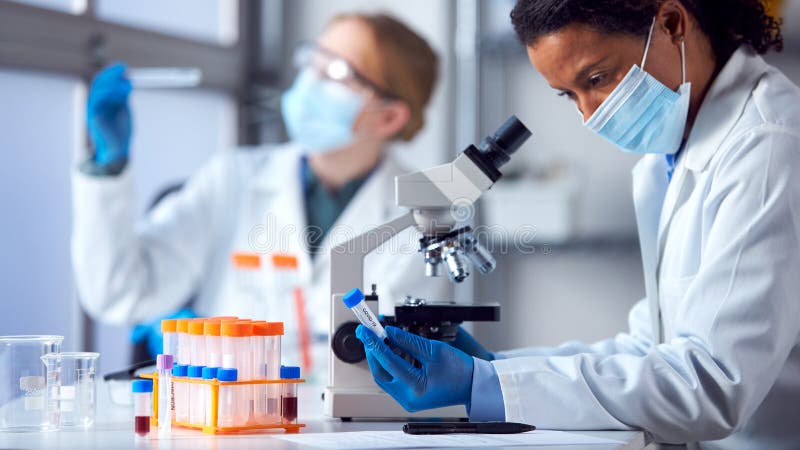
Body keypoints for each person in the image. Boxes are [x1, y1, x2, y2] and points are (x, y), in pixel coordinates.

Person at [356, 1, 800, 448]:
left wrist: (482, 384)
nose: (590, 115)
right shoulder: (671, 156)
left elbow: (709, 386)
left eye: (596, 79)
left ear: (671, 24)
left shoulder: (770, 147)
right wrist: (497, 370)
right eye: (569, 95)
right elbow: (651, 348)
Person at [72, 13, 447, 375]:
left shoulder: (421, 218)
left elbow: (403, 354)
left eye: (336, 72)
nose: (310, 82)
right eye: (313, 60)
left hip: (351, 429)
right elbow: (120, 292)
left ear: (388, 117)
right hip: (226, 419)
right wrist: (108, 168)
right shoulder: (232, 178)